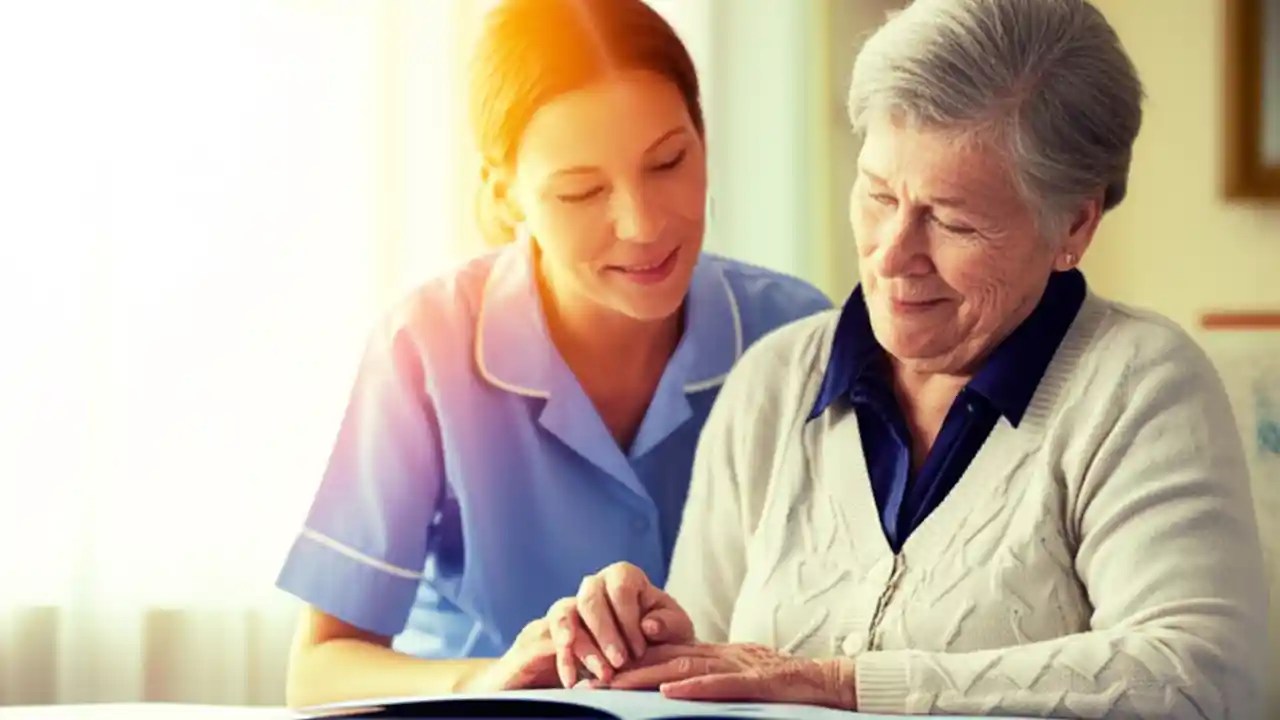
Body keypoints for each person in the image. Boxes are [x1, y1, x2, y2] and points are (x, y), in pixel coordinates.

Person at [544, 0, 1270, 717]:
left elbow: (1200, 676)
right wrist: (638, 643)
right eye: (878, 194)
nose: (893, 255)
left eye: (951, 220)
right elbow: (704, 674)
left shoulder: (1140, 386)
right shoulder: (773, 382)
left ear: (1074, 222)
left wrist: (842, 682)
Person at [273, 0, 831, 708]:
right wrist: (492, 678)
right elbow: (319, 671)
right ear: (505, 194)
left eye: (668, 161)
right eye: (581, 191)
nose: (642, 224)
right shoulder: (425, 344)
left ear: (704, 138)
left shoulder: (798, 334)